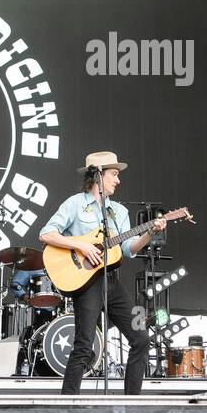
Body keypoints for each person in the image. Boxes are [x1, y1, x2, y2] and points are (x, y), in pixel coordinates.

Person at [39, 151, 166, 395]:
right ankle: (68, 406)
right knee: (84, 346)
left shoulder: (118, 211)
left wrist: (151, 232)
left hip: (112, 281)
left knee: (141, 338)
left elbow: (128, 249)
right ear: (98, 176)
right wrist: (81, 245)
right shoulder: (74, 204)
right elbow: (46, 234)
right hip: (87, 283)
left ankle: (132, 404)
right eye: (114, 174)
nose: (118, 180)